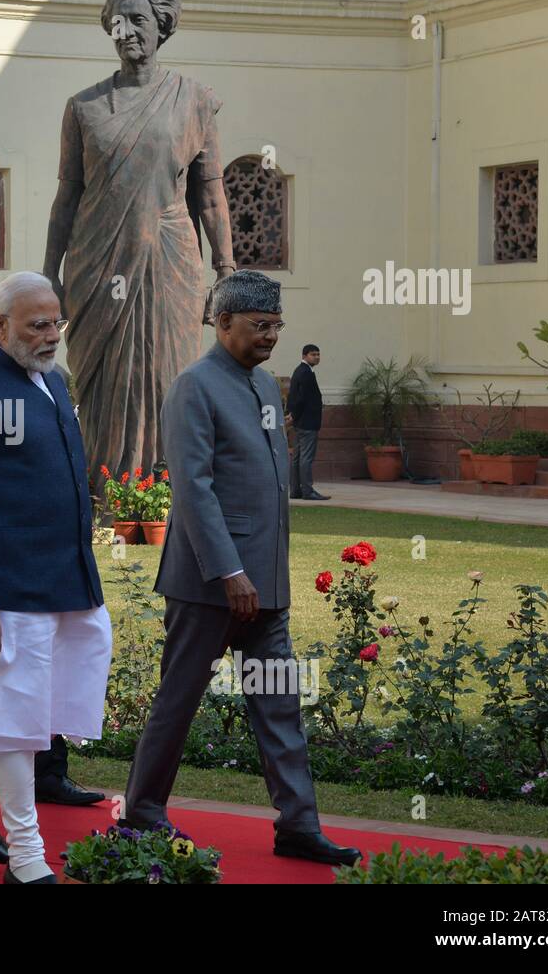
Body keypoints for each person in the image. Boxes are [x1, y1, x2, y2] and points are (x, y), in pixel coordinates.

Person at [122, 270, 361, 867]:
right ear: (222, 321)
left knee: (279, 704)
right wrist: (229, 572)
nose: (271, 336)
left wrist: (263, 574)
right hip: (209, 587)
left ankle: (299, 826)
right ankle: (142, 812)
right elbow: (193, 489)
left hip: (266, 588)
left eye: (277, 325)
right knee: (178, 702)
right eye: (260, 325)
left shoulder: (265, 386)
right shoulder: (193, 387)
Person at [0, 271, 113, 884]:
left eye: (56, 322)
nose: (51, 334)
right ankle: (26, 856)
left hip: (68, 581)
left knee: (53, 704)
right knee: (13, 717)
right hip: (6, 589)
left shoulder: (53, 381)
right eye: (37, 325)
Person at [44, 0, 235, 487]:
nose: (125, 31)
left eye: (137, 20)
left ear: (162, 25)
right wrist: (49, 275)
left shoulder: (194, 100)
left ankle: (165, 493)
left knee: (168, 376)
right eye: (116, 21)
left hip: (168, 261)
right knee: (102, 384)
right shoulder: (83, 107)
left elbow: (210, 194)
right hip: (96, 262)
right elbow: (67, 196)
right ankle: (104, 492)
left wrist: (226, 272)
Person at [286, 344, 329, 500]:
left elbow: (293, 396)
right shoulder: (306, 373)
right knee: (306, 458)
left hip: (300, 422)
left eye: (318, 354)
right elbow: (301, 398)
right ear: (304, 356)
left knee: (297, 457)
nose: (317, 357)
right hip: (307, 422)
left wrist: (292, 414)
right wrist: (294, 415)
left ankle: (295, 490)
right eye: (313, 354)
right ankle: (308, 491)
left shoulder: (300, 370)